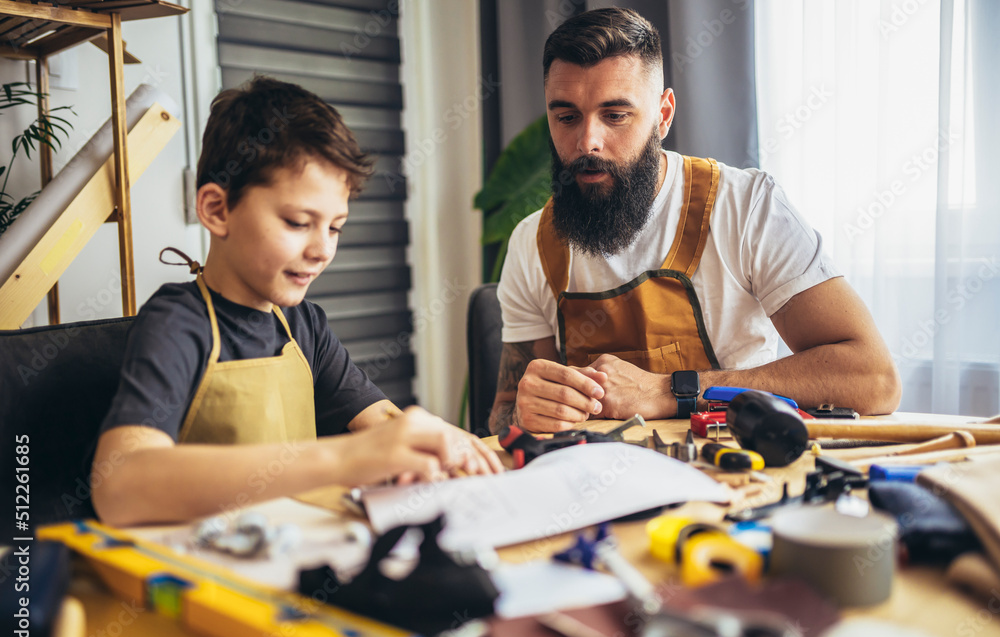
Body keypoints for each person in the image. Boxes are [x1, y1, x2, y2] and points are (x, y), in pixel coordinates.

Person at [93, 76, 502, 527]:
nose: (323, 249)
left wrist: (458, 449)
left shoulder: (303, 325)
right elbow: (120, 487)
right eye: (298, 222)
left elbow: (383, 421)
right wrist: (345, 459)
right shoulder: (177, 324)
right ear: (216, 210)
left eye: (334, 227)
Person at [490, 7, 901, 435]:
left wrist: (670, 391)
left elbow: (874, 378)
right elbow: (502, 415)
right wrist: (520, 415)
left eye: (615, 115)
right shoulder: (531, 242)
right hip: (598, 489)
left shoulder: (746, 208)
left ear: (663, 115)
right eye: (567, 117)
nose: (587, 141)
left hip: (738, 475)